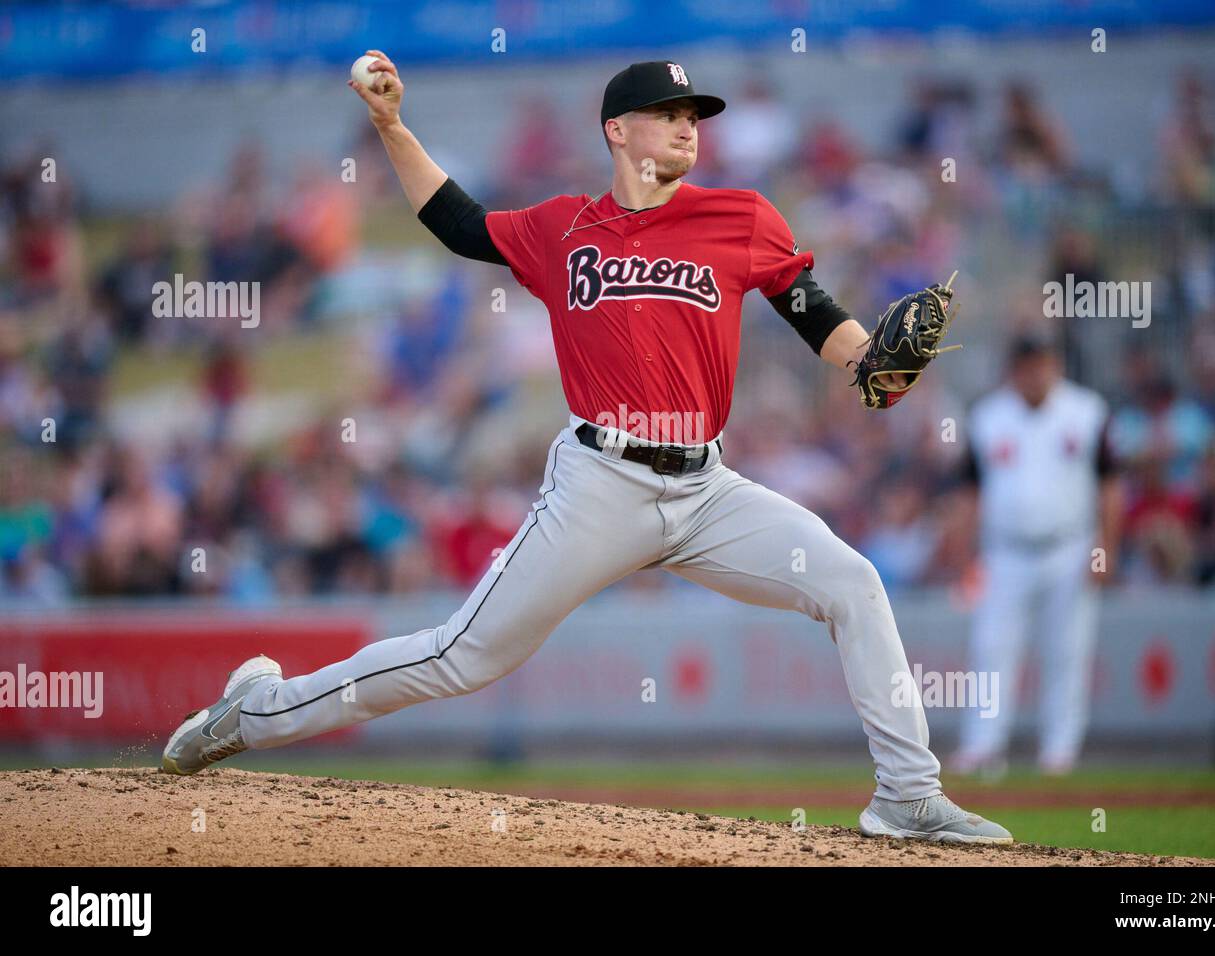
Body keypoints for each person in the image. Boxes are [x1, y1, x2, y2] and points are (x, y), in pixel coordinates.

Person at [161, 55, 1011, 844]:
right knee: (463, 657)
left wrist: (871, 363)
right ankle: (259, 710)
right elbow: (458, 222)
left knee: (853, 583)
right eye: (667, 113)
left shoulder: (741, 217)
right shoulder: (563, 226)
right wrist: (391, 127)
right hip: (598, 482)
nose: (687, 128)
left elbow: (816, 314)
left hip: (708, 488)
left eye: (695, 116)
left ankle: (905, 792)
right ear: (617, 130)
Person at [950, 331, 1121, 777]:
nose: (1035, 373)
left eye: (1042, 363)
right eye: (1026, 365)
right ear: (1013, 370)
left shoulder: (1086, 412)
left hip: (1070, 545)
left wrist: (1106, 546)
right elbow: (969, 491)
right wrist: (964, 555)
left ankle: (1059, 751)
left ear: (1056, 365)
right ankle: (984, 746)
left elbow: (1110, 485)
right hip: (1004, 551)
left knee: (1067, 650)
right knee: (991, 648)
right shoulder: (988, 416)